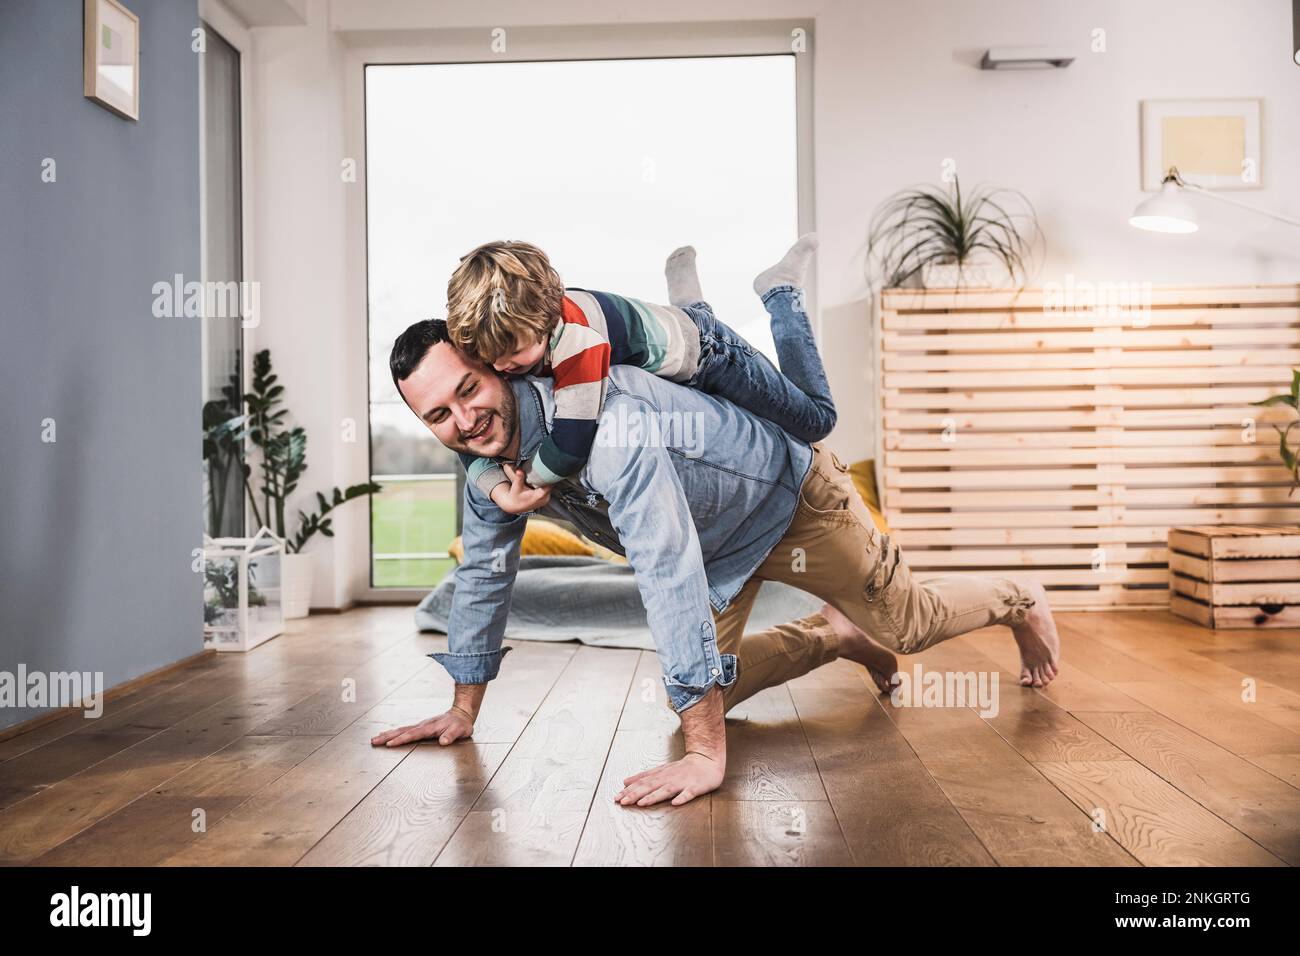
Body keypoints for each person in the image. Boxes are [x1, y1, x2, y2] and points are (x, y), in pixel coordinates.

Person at [371, 315, 1062, 809]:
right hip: (715, 547)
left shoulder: (607, 424)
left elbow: (664, 567)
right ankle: (837, 636)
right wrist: (462, 710)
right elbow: (485, 580)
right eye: (438, 415)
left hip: (792, 500)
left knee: (909, 627)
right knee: (704, 695)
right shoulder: (489, 468)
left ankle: (1020, 597)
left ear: (498, 366)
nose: (464, 420)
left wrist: (707, 758)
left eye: (469, 390)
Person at [443, 237, 836, 515]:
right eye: (489, 358)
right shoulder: (505, 332)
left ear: (546, 321)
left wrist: (523, 479)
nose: (501, 368)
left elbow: (571, 444)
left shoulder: (578, 343)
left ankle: (781, 293)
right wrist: (493, 485)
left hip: (709, 351)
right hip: (669, 345)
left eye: (513, 354)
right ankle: (687, 301)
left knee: (816, 420)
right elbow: (464, 433)